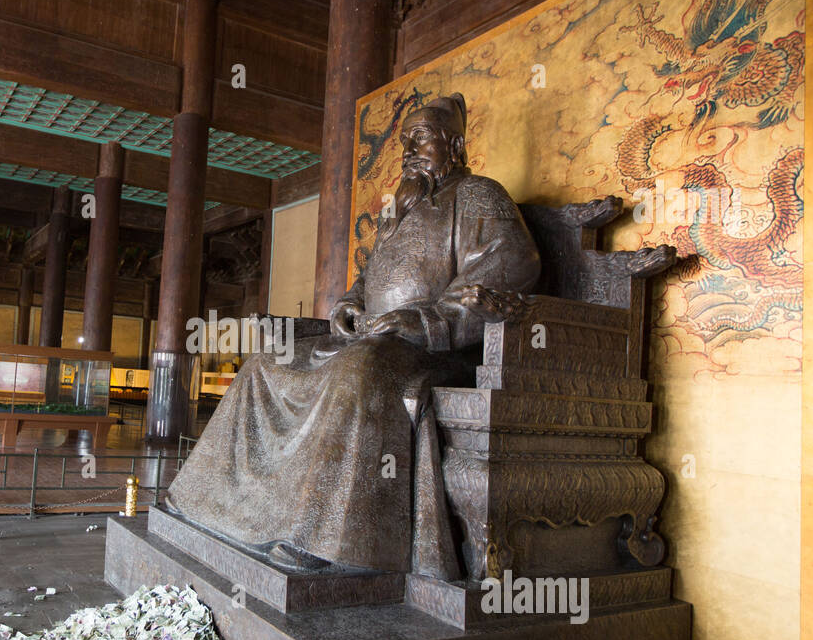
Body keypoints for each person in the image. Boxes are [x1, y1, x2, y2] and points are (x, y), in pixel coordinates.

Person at [164, 95, 541, 579]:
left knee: (359, 371)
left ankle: (320, 537)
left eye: (420, 138)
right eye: (405, 140)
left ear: (456, 144)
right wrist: (347, 305)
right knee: (267, 363)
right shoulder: (398, 211)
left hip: (440, 347)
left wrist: (424, 321)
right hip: (371, 336)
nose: (408, 149)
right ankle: (219, 506)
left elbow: (512, 268)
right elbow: (366, 278)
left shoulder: (479, 196)